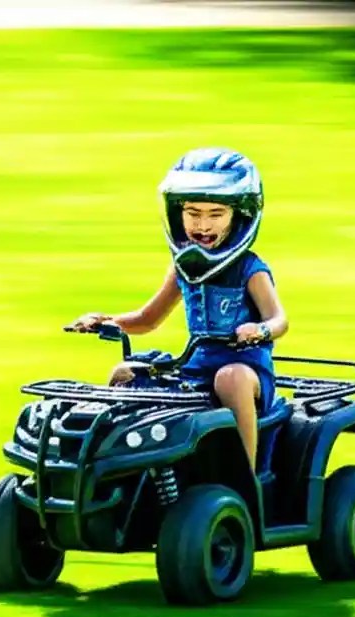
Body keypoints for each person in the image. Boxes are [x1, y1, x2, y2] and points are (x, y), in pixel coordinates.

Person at [70, 148, 289, 475]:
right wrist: (105, 321)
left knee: (229, 380)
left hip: (246, 367)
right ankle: (117, 468)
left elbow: (280, 320)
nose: (202, 224)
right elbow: (147, 319)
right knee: (125, 372)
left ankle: (246, 474)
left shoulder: (250, 269)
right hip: (195, 366)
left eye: (216, 214)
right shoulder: (183, 269)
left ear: (240, 216)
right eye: (193, 213)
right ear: (177, 214)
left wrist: (259, 331)